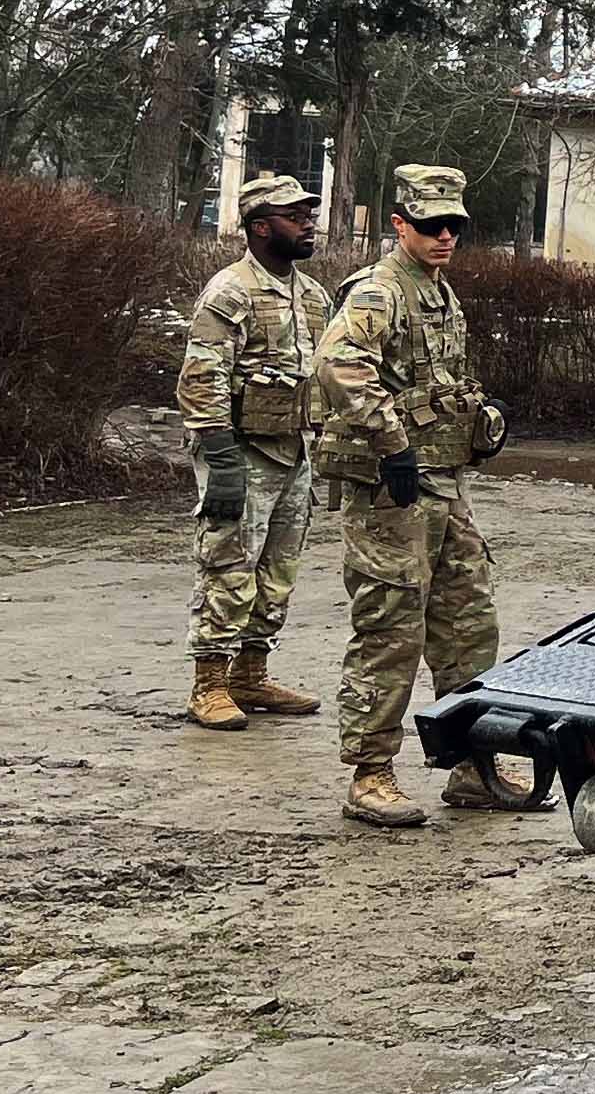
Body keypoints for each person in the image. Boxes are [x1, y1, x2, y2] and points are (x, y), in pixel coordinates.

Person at [314, 162, 534, 829]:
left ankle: (473, 762)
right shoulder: (379, 291)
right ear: (400, 224)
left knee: (469, 623)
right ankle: (370, 773)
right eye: (431, 225)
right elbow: (338, 363)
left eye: (454, 226)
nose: (445, 237)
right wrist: (391, 442)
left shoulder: (437, 289)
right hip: (392, 492)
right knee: (390, 628)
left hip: (444, 483)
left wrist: (475, 418)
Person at [175, 171, 334, 731]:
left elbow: (321, 377)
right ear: (262, 228)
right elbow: (202, 376)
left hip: (296, 452)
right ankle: (210, 684)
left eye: (309, 214)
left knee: (278, 571)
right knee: (227, 567)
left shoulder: (311, 295)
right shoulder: (230, 291)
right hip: (242, 453)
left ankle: (250, 674)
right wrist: (219, 457)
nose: (309, 223)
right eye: (297, 217)